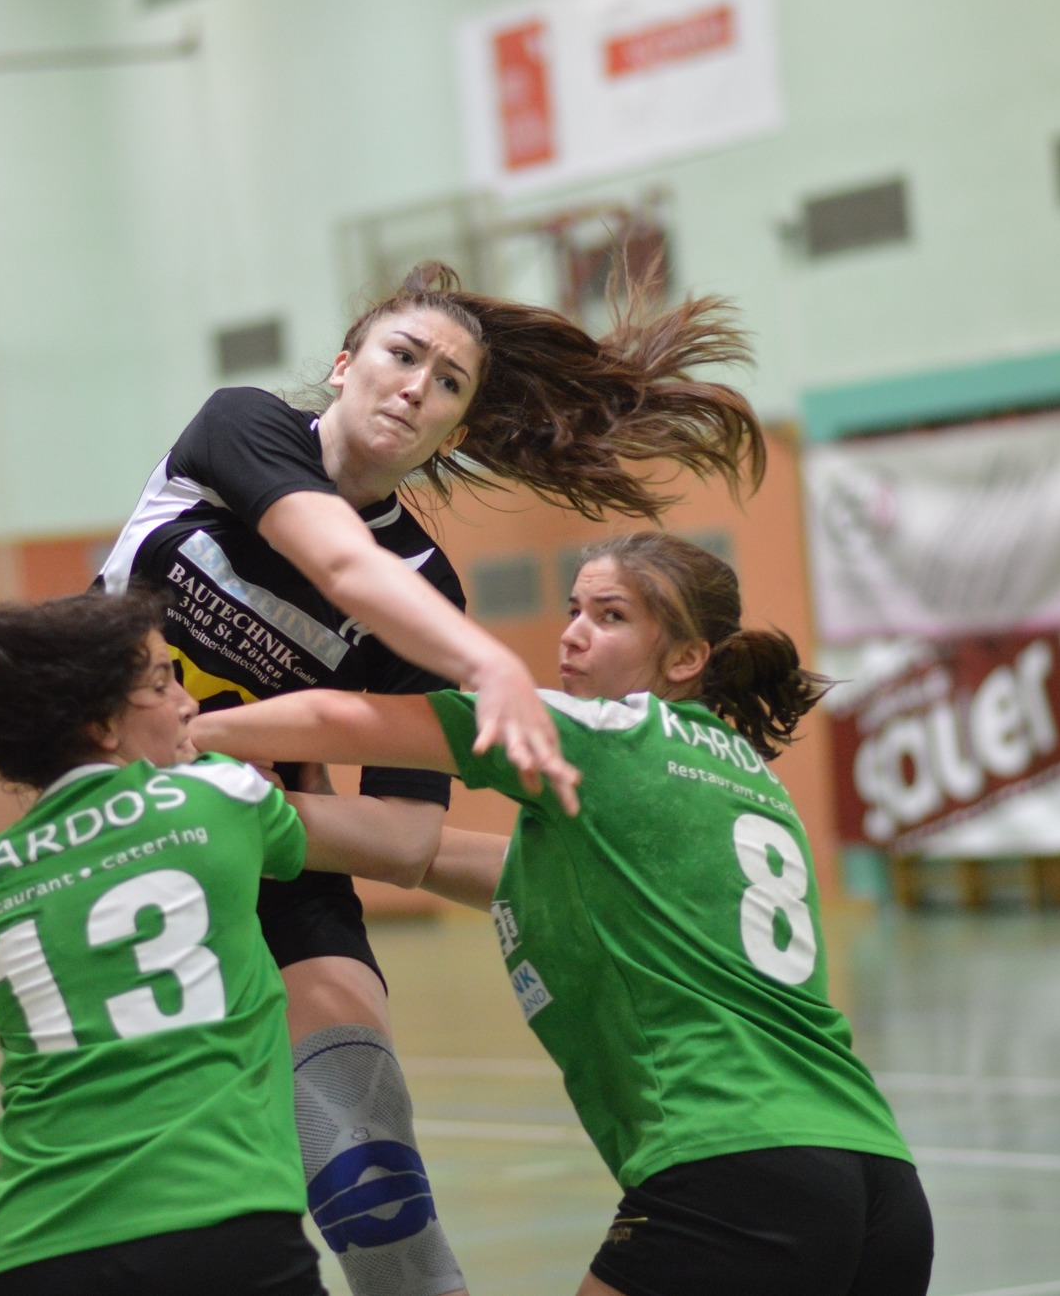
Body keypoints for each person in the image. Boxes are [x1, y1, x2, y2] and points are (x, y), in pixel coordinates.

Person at [96, 263, 763, 1296]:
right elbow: (338, 565)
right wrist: (488, 661)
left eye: (448, 384)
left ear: (453, 432)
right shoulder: (243, 430)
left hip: (265, 825)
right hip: (111, 814)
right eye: (403, 356)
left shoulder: (424, 588)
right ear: (344, 365)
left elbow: (404, 841)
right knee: (169, 1192)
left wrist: (239, 791)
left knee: (372, 1182)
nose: (417, 386)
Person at [192, 532, 935, 1296]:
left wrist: (186, 741)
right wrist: (286, 819)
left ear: (685, 658)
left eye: (610, 617)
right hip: (878, 1179)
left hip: (730, 1164)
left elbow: (348, 720)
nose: (572, 632)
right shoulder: (744, 774)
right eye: (575, 609)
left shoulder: (605, 731)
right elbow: (505, 872)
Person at [0, 589, 443, 1296]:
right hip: (216, 1218)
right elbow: (385, 844)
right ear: (101, 726)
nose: (187, 704)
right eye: (160, 682)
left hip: (26, 1250)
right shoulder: (221, 798)